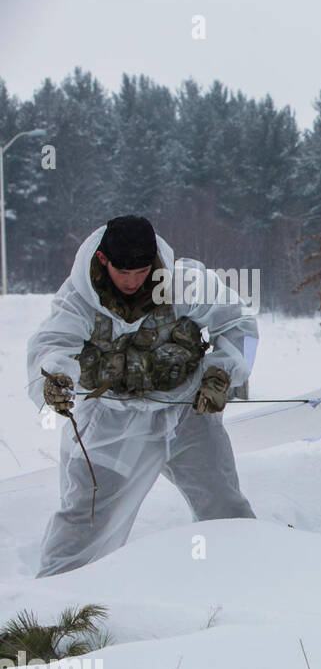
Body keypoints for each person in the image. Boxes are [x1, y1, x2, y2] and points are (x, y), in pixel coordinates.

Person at [26, 215, 258, 577]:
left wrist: (221, 375)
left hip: (186, 411)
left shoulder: (185, 283)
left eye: (142, 270)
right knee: (85, 517)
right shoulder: (79, 297)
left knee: (224, 505)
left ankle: (248, 579)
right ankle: (56, 606)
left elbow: (241, 327)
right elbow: (52, 344)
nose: (134, 280)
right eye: (124, 271)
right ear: (103, 261)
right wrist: (53, 377)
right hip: (113, 422)